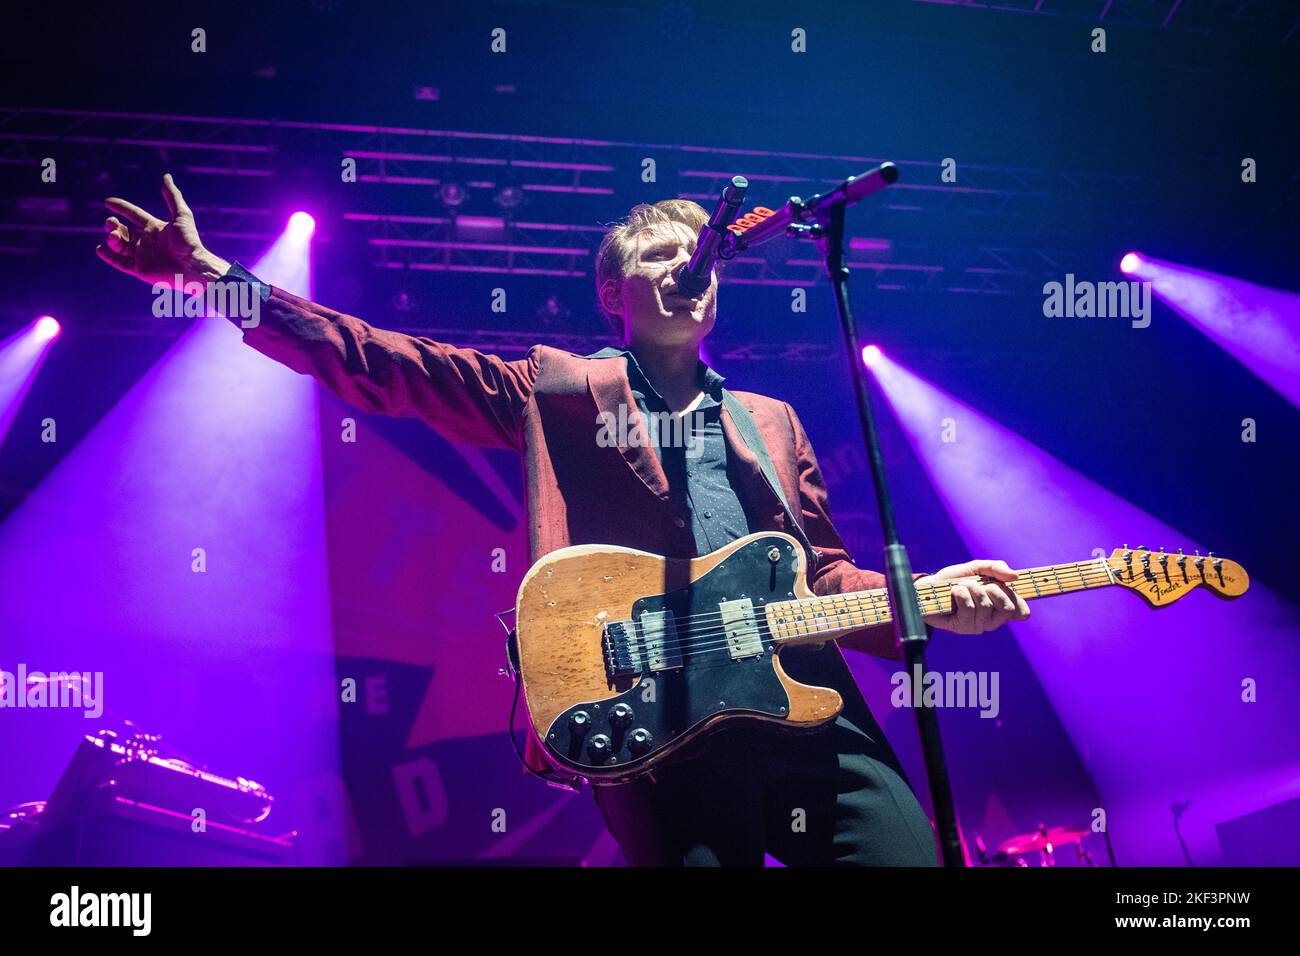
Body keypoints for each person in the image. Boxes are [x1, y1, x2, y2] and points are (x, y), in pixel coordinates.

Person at [96, 174, 1030, 866]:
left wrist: (927, 598)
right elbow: (377, 360)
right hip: (658, 727)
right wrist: (210, 277)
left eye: (697, 257)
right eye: (660, 257)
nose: (687, 270)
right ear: (612, 295)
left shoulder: (770, 420)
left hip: (805, 709)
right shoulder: (557, 391)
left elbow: (822, 576)